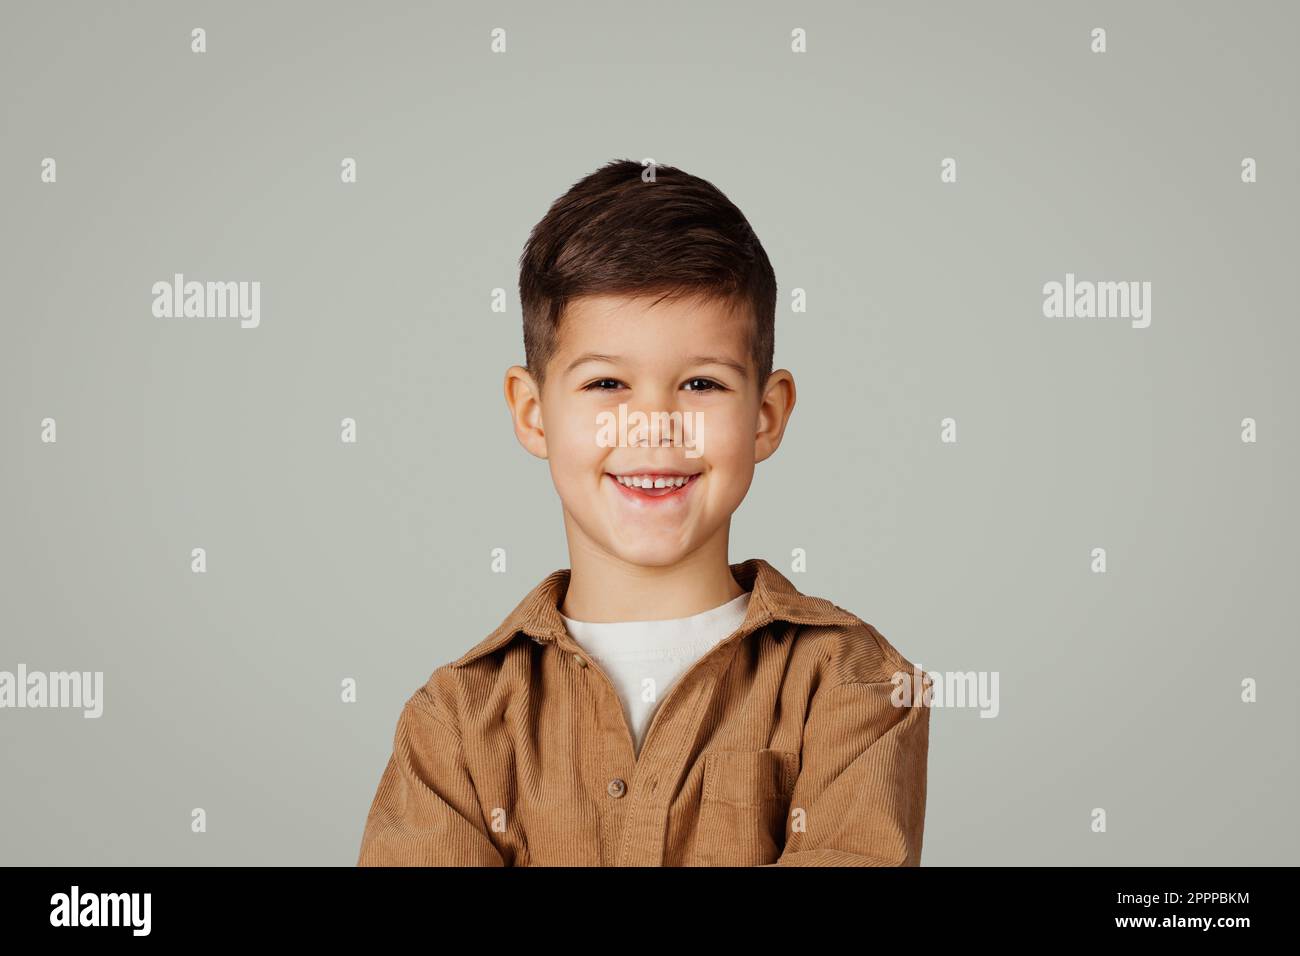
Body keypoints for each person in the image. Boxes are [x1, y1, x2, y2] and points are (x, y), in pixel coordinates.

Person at [356, 159, 931, 866]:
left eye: (700, 383)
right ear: (534, 414)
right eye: (606, 383)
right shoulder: (454, 722)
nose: (653, 427)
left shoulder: (852, 685)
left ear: (767, 415)